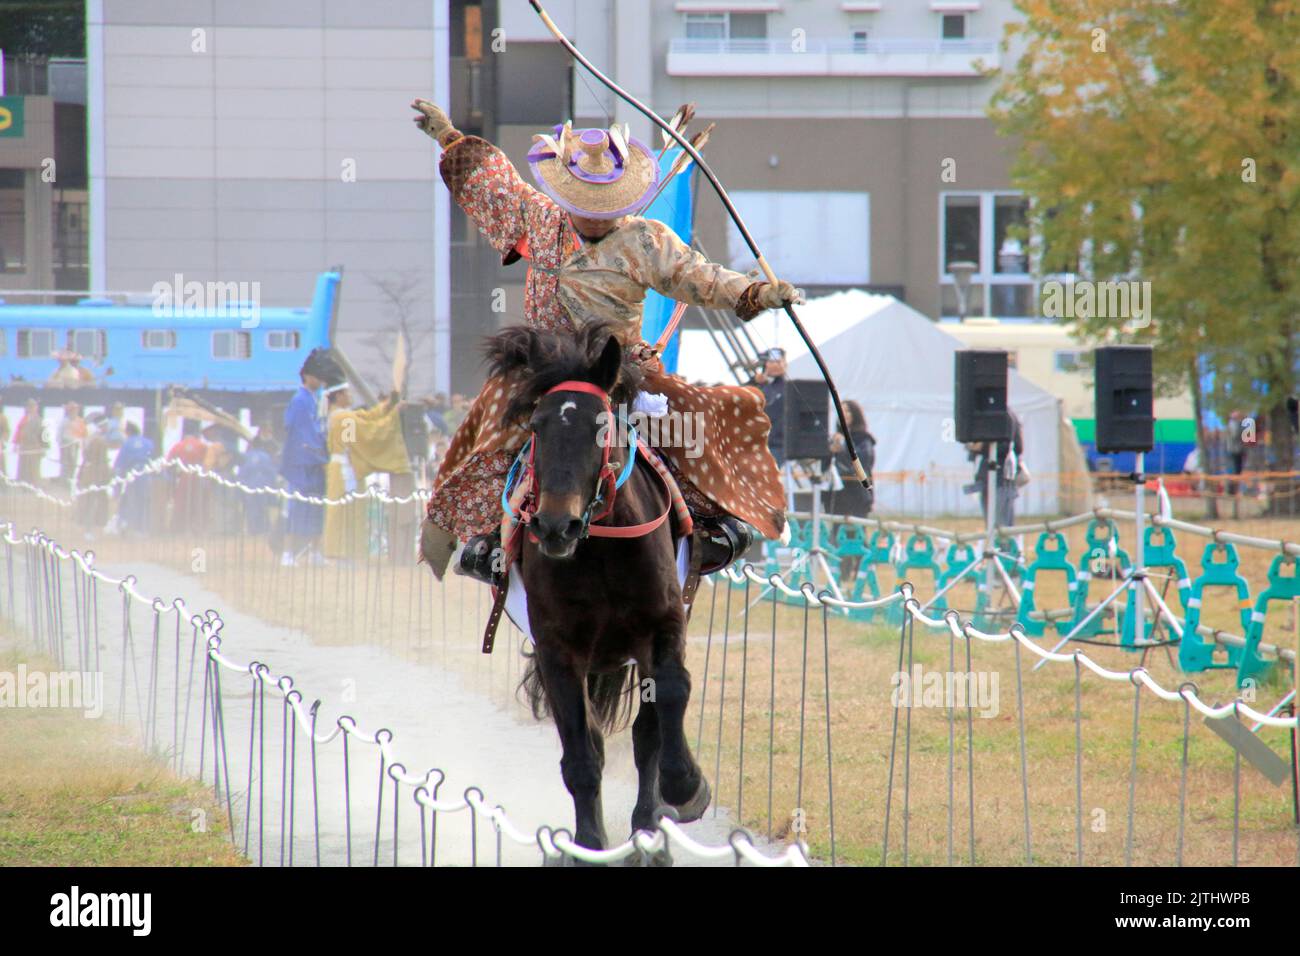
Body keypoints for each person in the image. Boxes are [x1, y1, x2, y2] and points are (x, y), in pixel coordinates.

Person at [411, 99, 796, 582]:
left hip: (617, 369)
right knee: (498, 420)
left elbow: (699, 276)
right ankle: (484, 537)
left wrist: (757, 291)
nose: (594, 218)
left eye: (605, 207)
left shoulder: (646, 240)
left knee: (688, 416)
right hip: (546, 367)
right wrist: (448, 135)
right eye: (583, 206)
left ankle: (709, 524)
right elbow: (493, 183)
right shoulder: (538, 217)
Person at [322, 386, 408, 560]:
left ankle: (346, 550)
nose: (350, 395)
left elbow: (367, 417)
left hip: (346, 467)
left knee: (350, 509)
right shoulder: (343, 417)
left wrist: (387, 406)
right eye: (347, 393)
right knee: (343, 510)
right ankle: (340, 551)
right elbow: (369, 431)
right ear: (338, 396)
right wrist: (393, 414)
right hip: (344, 468)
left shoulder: (343, 415)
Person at [280, 349, 338, 566]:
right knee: (296, 508)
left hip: (315, 461)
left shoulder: (313, 399)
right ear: (307, 376)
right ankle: (288, 553)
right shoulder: (299, 400)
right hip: (300, 462)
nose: (320, 381)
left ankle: (315, 552)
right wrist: (315, 450)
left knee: (316, 507)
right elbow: (298, 431)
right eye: (317, 377)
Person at [965, 410, 1024, 530]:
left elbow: (1014, 446)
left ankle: (1004, 547)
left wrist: (982, 445)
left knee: (1002, 526)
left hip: (1002, 477)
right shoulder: (992, 415)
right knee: (992, 525)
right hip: (988, 477)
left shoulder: (1005, 416)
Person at [114, 421, 155, 536]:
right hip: (145, 474)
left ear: (128, 432)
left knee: (127, 499)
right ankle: (142, 529)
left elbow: (120, 463)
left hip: (130, 474)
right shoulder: (149, 443)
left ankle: (124, 523)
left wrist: (118, 480)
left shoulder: (127, 444)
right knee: (143, 501)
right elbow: (155, 458)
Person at [750, 348, 789, 465]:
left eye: (778, 362)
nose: (773, 365)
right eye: (771, 362)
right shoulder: (758, 385)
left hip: (775, 445)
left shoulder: (785, 387)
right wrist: (755, 381)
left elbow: (771, 406)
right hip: (753, 444)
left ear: (785, 364)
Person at [76, 414, 113, 538]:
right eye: (106, 425)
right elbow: (101, 461)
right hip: (95, 475)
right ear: (102, 426)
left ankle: (90, 529)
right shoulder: (99, 441)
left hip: (88, 473)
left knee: (90, 502)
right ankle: (88, 531)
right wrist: (107, 476)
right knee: (92, 503)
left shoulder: (90, 438)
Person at [236, 433, 279, 536]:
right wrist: (273, 486)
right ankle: (263, 529)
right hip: (262, 486)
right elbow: (271, 473)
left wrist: (240, 488)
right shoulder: (266, 457)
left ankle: (253, 530)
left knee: (251, 508)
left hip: (249, 486)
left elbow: (242, 473)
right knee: (262, 507)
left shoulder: (246, 456)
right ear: (261, 445)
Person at [13, 399, 47, 486]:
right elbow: (18, 432)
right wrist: (16, 445)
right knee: (23, 468)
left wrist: (44, 447)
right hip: (24, 448)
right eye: (30, 406)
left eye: (34, 406)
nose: (32, 408)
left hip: (35, 448)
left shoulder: (40, 420)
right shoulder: (23, 420)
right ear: (27, 408)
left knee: (34, 468)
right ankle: (23, 485)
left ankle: (34, 486)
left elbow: (44, 434)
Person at [58, 402, 86, 492]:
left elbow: (84, 434)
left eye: (76, 409)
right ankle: (63, 483)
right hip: (65, 446)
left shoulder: (80, 421)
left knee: (73, 464)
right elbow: (59, 435)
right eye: (72, 410)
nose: (74, 411)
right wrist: (61, 444)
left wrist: (82, 444)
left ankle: (71, 481)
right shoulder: (64, 421)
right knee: (65, 465)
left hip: (75, 446)